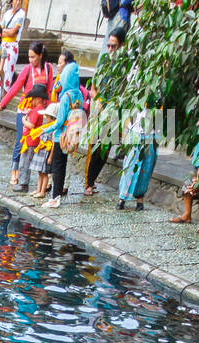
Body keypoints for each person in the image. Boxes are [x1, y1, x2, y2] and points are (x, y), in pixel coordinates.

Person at [0, 40, 53, 184]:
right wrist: (2, 104)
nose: (31, 60)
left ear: (41, 55)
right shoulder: (27, 70)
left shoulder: (48, 68)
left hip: (41, 111)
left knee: (37, 141)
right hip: (25, 109)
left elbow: (49, 91)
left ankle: (35, 175)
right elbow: (15, 88)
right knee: (20, 141)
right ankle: (14, 171)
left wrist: (51, 111)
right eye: (29, 57)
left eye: (33, 57)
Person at [83, 30, 123, 195]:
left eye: (113, 46)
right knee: (94, 147)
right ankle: (88, 184)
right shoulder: (104, 60)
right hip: (100, 109)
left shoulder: (124, 64)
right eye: (108, 45)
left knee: (105, 149)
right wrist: (97, 99)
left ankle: (93, 180)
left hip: (114, 111)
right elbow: (93, 86)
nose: (110, 49)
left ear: (121, 45)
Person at [42, 57, 85, 209]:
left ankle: (55, 198)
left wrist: (44, 129)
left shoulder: (66, 97)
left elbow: (59, 122)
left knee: (57, 168)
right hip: (72, 136)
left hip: (61, 137)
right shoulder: (79, 94)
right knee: (63, 166)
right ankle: (57, 196)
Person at [15, 81, 50, 195]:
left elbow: (31, 125)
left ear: (39, 98)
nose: (32, 101)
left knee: (25, 163)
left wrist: (24, 120)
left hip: (31, 141)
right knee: (24, 161)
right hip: (29, 141)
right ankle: (22, 183)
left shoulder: (37, 111)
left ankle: (23, 184)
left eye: (33, 98)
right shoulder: (38, 110)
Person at [0, 2, 28, 94]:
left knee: (8, 71)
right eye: (16, 0)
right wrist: (6, 31)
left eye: (20, 0)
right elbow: (0, 29)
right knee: (0, 68)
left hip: (12, 45)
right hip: (3, 43)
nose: (18, 2)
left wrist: (5, 31)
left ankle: (5, 94)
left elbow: (13, 32)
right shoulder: (7, 13)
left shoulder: (21, 14)